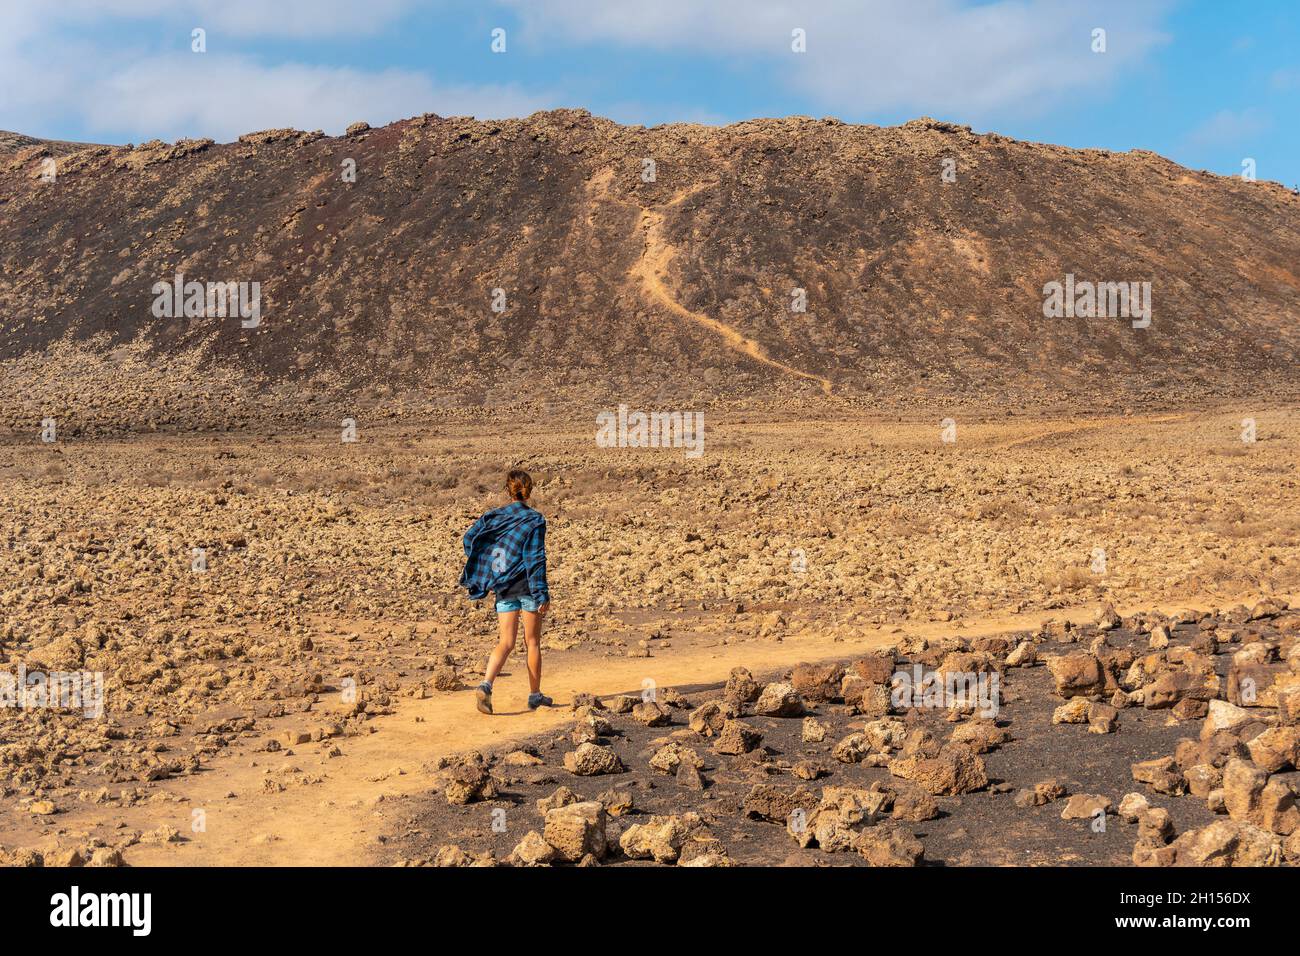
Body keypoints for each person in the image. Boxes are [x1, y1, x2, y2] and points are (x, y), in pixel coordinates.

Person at [458, 469, 551, 714]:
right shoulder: (534, 520)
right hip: (528, 587)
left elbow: (470, 539)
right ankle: (534, 695)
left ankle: (486, 685)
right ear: (529, 490)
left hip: (503, 587)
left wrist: (489, 565)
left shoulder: (493, 518)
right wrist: (542, 593)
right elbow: (534, 558)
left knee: (505, 642)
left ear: (507, 490)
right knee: (532, 642)